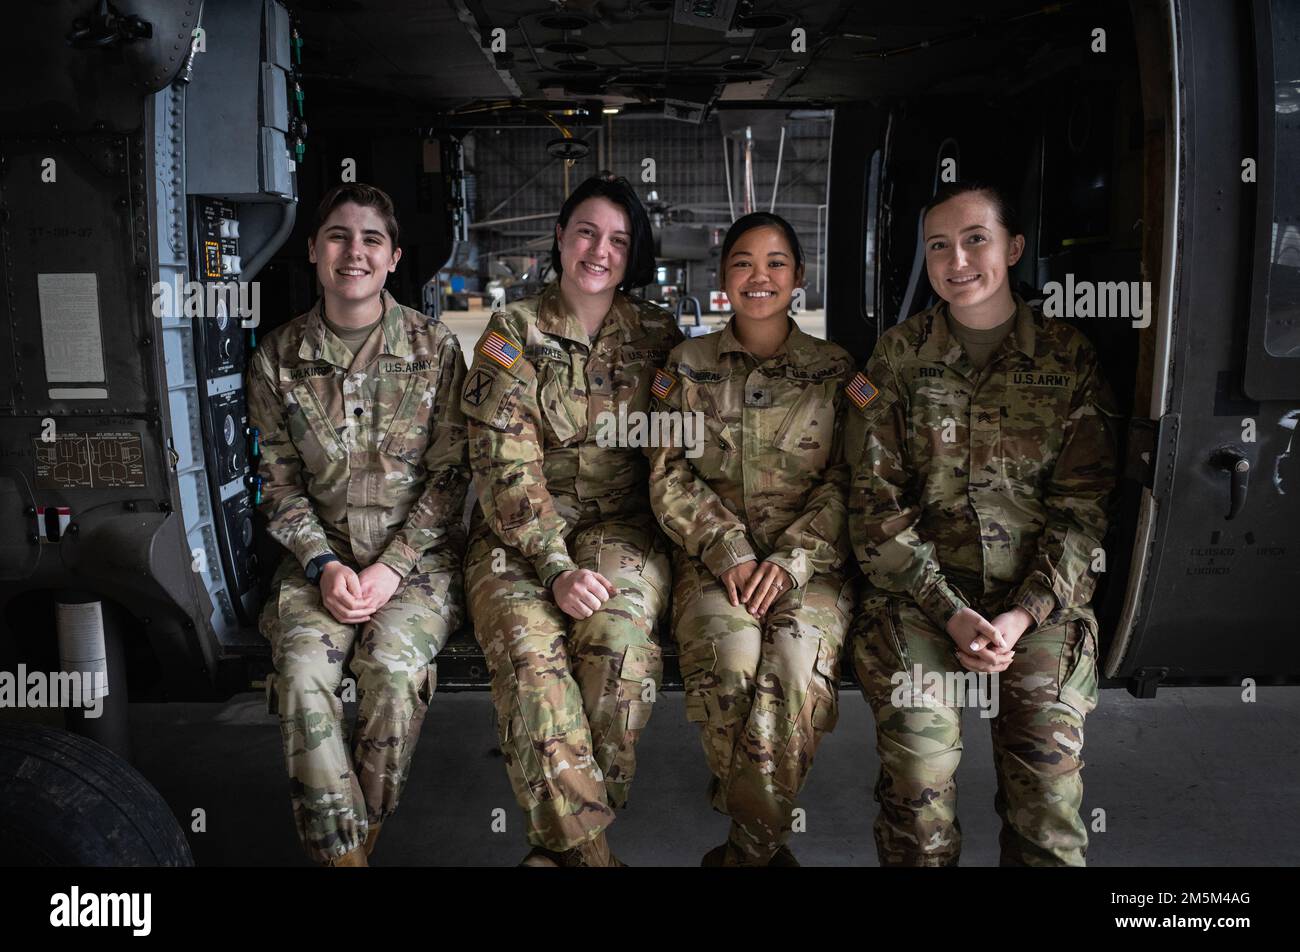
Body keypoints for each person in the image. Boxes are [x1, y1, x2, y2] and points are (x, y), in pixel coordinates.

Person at [845, 181, 1119, 866]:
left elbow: (1082, 510)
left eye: (976, 239)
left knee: (1048, 793)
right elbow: (875, 506)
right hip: (919, 602)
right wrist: (950, 611)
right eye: (939, 246)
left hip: (1041, 606)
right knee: (918, 781)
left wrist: (1022, 615)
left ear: (1014, 247)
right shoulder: (896, 360)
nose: (956, 260)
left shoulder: (1068, 358)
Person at [460, 174, 682, 866]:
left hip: (623, 529)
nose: (599, 250)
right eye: (586, 231)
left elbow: (679, 449)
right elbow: (505, 465)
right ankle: (588, 854)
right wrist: (555, 568)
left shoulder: (656, 335)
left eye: (618, 239)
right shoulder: (512, 332)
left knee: (620, 652)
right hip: (518, 536)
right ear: (559, 236)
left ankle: (556, 849)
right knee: (531, 660)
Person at [248, 183, 468, 866]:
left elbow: (452, 477)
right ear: (314, 250)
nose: (354, 252)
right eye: (339, 236)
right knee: (303, 671)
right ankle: (345, 856)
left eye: (371, 239)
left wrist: (391, 566)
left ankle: (358, 836)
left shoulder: (434, 351)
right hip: (323, 565)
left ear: (394, 256)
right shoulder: (278, 359)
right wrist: (326, 565)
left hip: (416, 567)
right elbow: (275, 482)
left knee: (392, 672)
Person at [648, 212, 855, 866]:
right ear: (722, 278)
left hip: (812, 568)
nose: (758, 276)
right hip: (715, 568)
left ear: (798, 277)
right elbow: (668, 473)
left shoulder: (834, 369)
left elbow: (852, 479)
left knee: (795, 667)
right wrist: (729, 551)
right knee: (732, 668)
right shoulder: (686, 365)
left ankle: (749, 847)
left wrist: (791, 561)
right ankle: (766, 847)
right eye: (742, 262)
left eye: (775, 263)